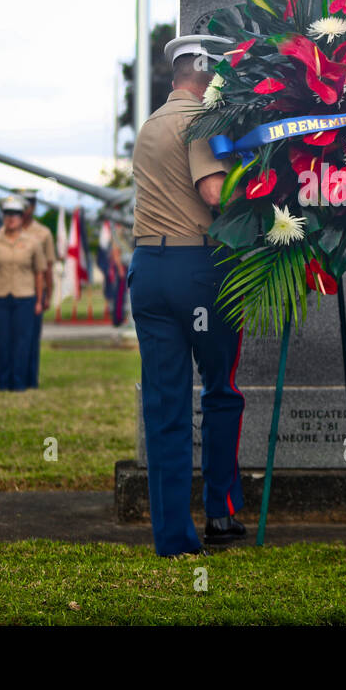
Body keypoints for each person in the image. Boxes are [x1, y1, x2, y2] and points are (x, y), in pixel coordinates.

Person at [130, 34, 248, 557]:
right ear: (205, 70)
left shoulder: (151, 123)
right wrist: (264, 195)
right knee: (219, 390)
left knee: (165, 405)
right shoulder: (201, 120)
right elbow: (213, 194)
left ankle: (173, 536)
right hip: (197, 268)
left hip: (149, 269)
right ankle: (220, 513)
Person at [0, 195, 45, 391]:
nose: (11, 218)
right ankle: (3, 382)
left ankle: (19, 382)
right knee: (2, 341)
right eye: (8, 213)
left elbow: (39, 272)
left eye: (16, 214)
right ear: (3, 216)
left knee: (22, 341)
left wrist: (39, 300)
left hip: (25, 296)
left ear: (22, 216)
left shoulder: (32, 242)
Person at [13, 188, 57, 388]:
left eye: (29, 203)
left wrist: (48, 292)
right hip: (9, 290)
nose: (25, 208)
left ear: (33, 206)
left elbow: (48, 265)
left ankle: (30, 378)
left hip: (34, 291)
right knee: (10, 338)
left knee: (30, 338)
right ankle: (13, 379)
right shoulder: (7, 229)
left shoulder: (43, 233)